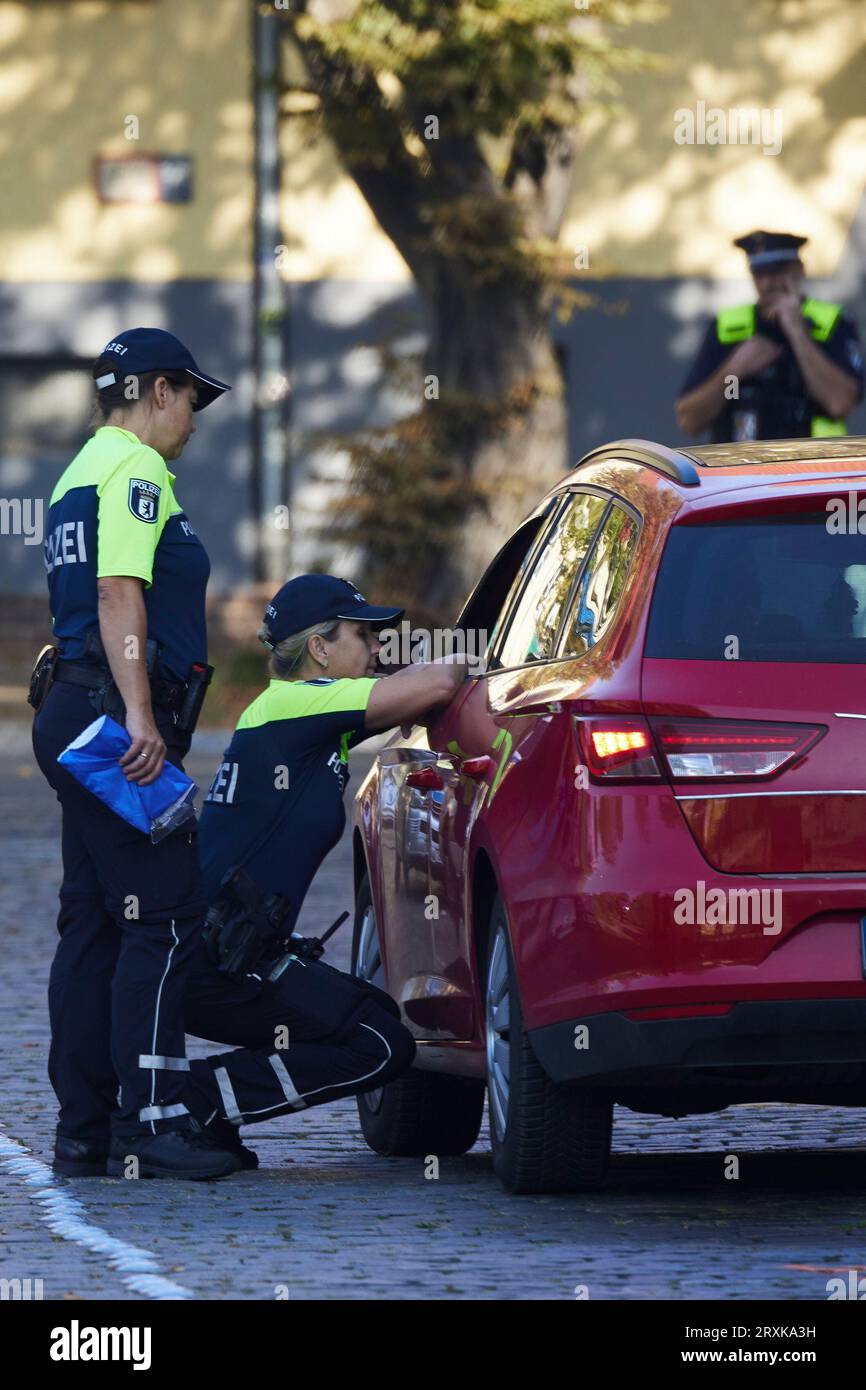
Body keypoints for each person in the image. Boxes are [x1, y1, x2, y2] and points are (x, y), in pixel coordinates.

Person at [32, 327, 242, 1180]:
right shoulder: (134, 470)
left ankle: (84, 1128)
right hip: (108, 722)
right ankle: (150, 1120)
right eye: (191, 398)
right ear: (159, 391)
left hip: (70, 716)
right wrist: (140, 716)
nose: (193, 419)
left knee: (93, 918)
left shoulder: (75, 474)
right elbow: (120, 591)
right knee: (161, 912)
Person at [171, 575, 466, 1166]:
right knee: (380, 1046)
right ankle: (196, 1099)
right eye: (365, 634)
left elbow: (402, 698)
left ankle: (208, 1101)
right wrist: (473, 656)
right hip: (216, 960)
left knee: (379, 1015)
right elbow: (434, 682)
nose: (379, 648)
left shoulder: (306, 717)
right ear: (320, 649)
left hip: (236, 949)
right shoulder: (296, 705)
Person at [676, 230, 864, 442]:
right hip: (741, 470)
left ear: (800, 270)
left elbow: (838, 403)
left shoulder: (832, 323)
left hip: (813, 469)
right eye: (759, 273)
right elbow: (690, 420)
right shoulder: (728, 327)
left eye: (777, 272)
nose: (768, 283)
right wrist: (734, 370)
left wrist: (797, 333)